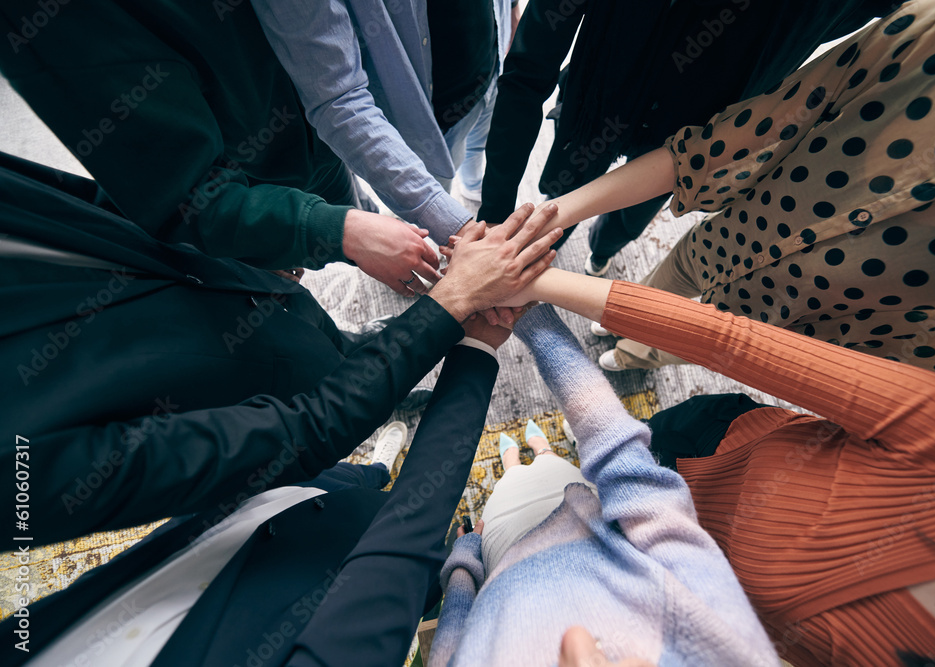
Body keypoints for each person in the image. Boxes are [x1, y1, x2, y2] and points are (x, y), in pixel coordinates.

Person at [0, 152, 561, 546]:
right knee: (344, 386)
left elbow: (124, 212)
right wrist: (455, 301)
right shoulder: (17, 467)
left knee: (342, 346)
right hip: (268, 400)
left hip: (263, 301)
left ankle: (373, 356)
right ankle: (386, 380)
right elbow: (295, 435)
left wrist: (285, 238)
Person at [499, 265, 935, 666]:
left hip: (671, 563)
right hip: (714, 441)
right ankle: (597, 434)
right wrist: (534, 286)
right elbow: (732, 342)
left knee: (601, 485)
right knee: (640, 435)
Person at [513, 0, 935, 390]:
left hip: (780, 331)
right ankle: (626, 325)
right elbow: (714, 149)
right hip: (728, 235)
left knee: (668, 336)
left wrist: (533, 283)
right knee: (674, 273)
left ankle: (636, 351)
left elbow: (878, 392)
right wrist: (551, 218)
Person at [0, 309, 513, 666]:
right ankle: (390, 482)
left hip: (243, 518)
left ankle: (379, 463)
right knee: (416, 547)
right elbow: (399, 550)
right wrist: (474, 351)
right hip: (345, 564)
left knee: (352, 476)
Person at [0, 0, 441, 294]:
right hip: (244, 200)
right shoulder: (50, 17)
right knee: (278, 310)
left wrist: (351, 226)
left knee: (351, 208)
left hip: (309, 138)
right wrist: (332, 231)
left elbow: (333, 83)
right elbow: (185, 196)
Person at [427, 305, 781, 667]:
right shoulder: (732, 647)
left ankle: (513, 464)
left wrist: (464, 559)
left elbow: (447, 646)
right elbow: (625, 464)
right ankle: (542, 451)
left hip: (505, 549)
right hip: (579, 518)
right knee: (552, 468)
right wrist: (531, 318)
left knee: (513, 482)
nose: (576, 640)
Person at [478, 0, 898, 275]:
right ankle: (545, 249)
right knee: (561, 189)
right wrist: (497, 213)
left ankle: (603, 249)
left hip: (693, 135)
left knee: (631, 215)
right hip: (597, 105)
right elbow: (528, 70)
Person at [248, 0, 516, 240]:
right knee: (433, 191)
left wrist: (512, 8)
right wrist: (456, 227)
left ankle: (472, 183)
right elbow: (337, 98)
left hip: (492, 58)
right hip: (431, 116)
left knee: (481, 144)